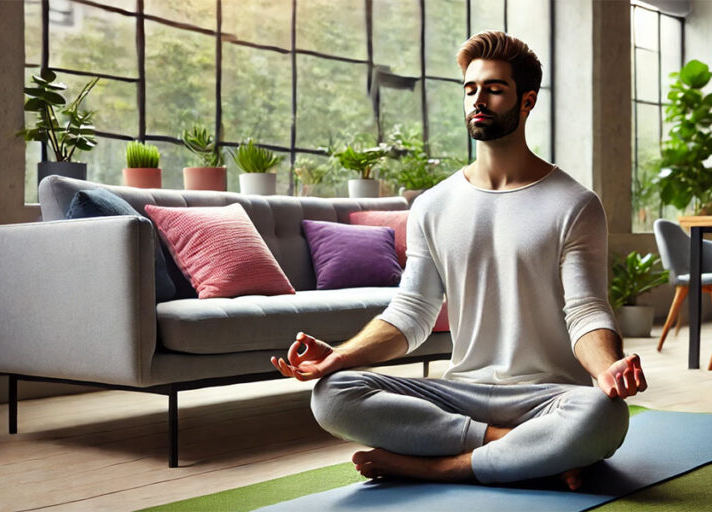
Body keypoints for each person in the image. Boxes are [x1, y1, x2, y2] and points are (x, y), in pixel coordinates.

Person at [271, 30, 647, 490]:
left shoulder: (574, 204)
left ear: (527, 102)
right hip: (460, 393)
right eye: (470, 89)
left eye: (493, 88)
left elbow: (585, 310)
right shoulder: (432, 205)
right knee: (332, 395)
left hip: (548, 397)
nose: (478, 100)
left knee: (603, 414)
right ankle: (518, 447)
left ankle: (437, 466)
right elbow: (411, 314)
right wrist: (340, 356)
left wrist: (606, 368)